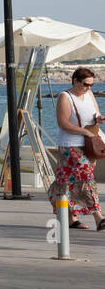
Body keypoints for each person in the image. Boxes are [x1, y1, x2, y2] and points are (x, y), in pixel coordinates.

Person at [52, 67, 105, 230]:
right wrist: (84, 132)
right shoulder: (65, 96)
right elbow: (63, 123)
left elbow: (95, 113)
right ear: (75, 80)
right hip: (71, 145)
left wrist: (99, 118)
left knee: (68, 182)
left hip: (89, 145)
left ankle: (70, 219)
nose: (89, 88)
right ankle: (99, 218)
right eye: (85, 84)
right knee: (86, 179)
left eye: (91, 85)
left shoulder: (88, 94)